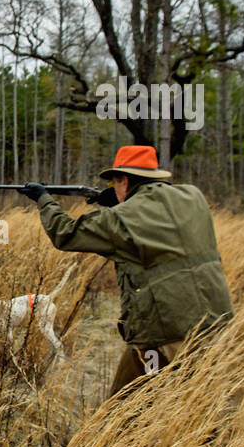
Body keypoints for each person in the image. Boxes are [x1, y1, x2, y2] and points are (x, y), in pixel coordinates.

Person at [17, 144, 233, 397]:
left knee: (127, 410)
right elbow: (155, 218)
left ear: (124, 180)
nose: (112, 189)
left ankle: (119, 435)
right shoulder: (193, 197)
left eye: (114, 183)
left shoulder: (121, 217)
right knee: (204, 405)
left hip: (164, 334)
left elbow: (65, 234)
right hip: (213, 320)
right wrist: (118, 202)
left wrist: (43, 199)